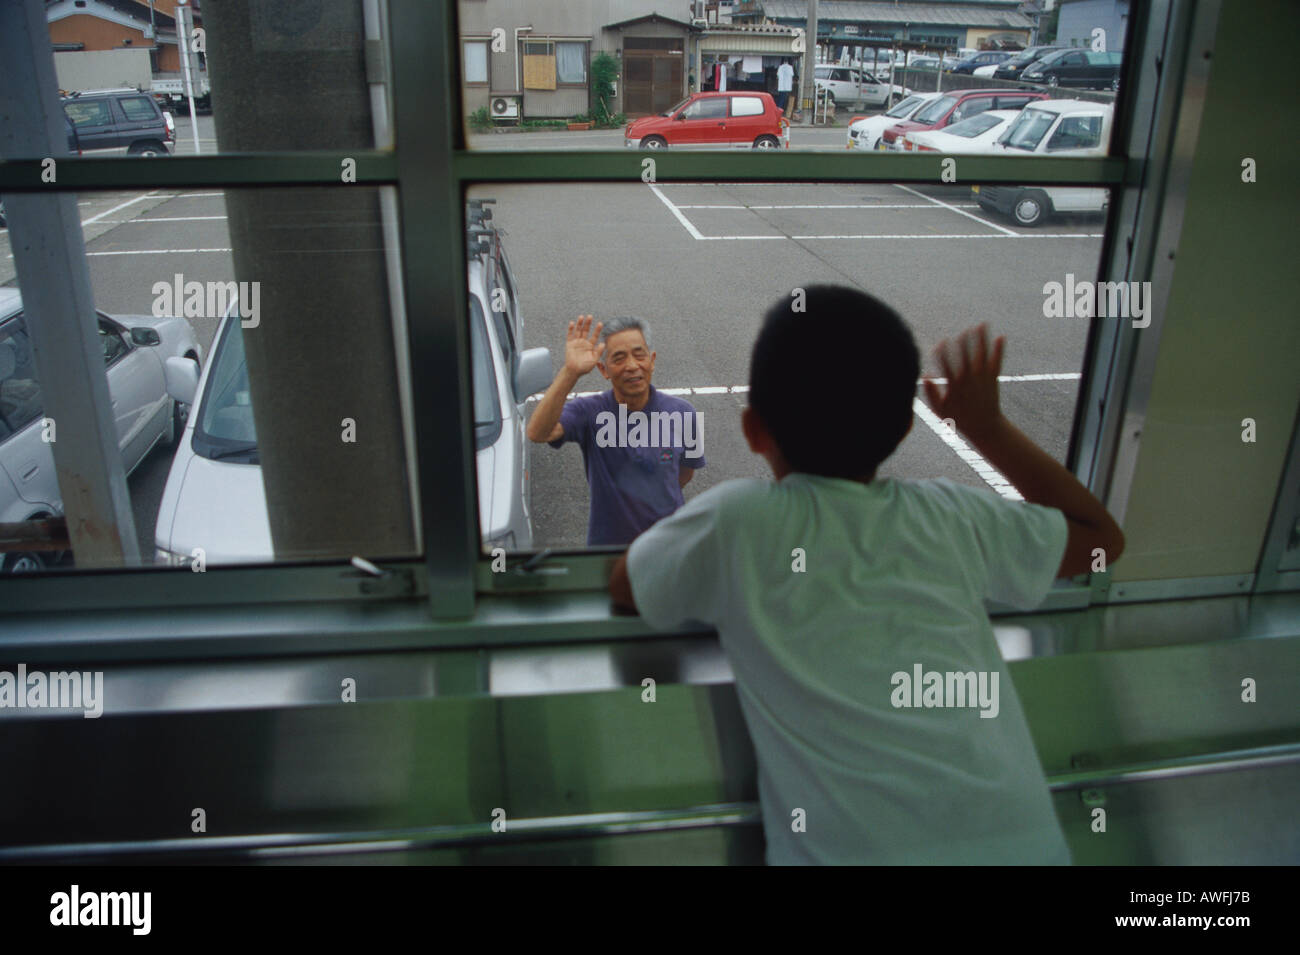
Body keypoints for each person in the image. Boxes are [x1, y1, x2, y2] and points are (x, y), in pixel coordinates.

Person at [609, 285, 1126, 864]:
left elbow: (626, 585)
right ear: (906, 429)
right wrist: (986, 428)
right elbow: (1100, 539)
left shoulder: (736, 523)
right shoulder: (952, 516)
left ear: (754, 432)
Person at [527, 315, 706, 546]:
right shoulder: (589, 412)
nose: (632, 366)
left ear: (652, 360)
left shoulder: (685, 413)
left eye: (639, 354)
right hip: (608, 553)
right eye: (619, 358)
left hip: (670, 547)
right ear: (604, 369)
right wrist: (570, 372)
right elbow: (538, 433)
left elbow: (685, 473)